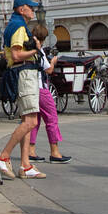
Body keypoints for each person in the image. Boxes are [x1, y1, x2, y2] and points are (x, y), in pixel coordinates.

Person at [0, 0, 46, 179]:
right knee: (31, 121)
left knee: (28, 120)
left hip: (24, 72)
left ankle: (25, 165)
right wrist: (36, 49)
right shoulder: (18, 27)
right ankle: (4, 155)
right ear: (21, 9)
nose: (33, 11)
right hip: (24, 72)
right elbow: (16, 55)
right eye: (30, 8)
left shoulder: (16, 24)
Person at [28, 21, 70, 163]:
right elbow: (49, 70)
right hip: (42, 89)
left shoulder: (29, 49)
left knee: (36, 120)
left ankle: (31, 151)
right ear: (44, 38)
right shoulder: (39, 51)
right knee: (52, 119)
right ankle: (55, 152)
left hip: (32, 88)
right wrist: (53, 62)